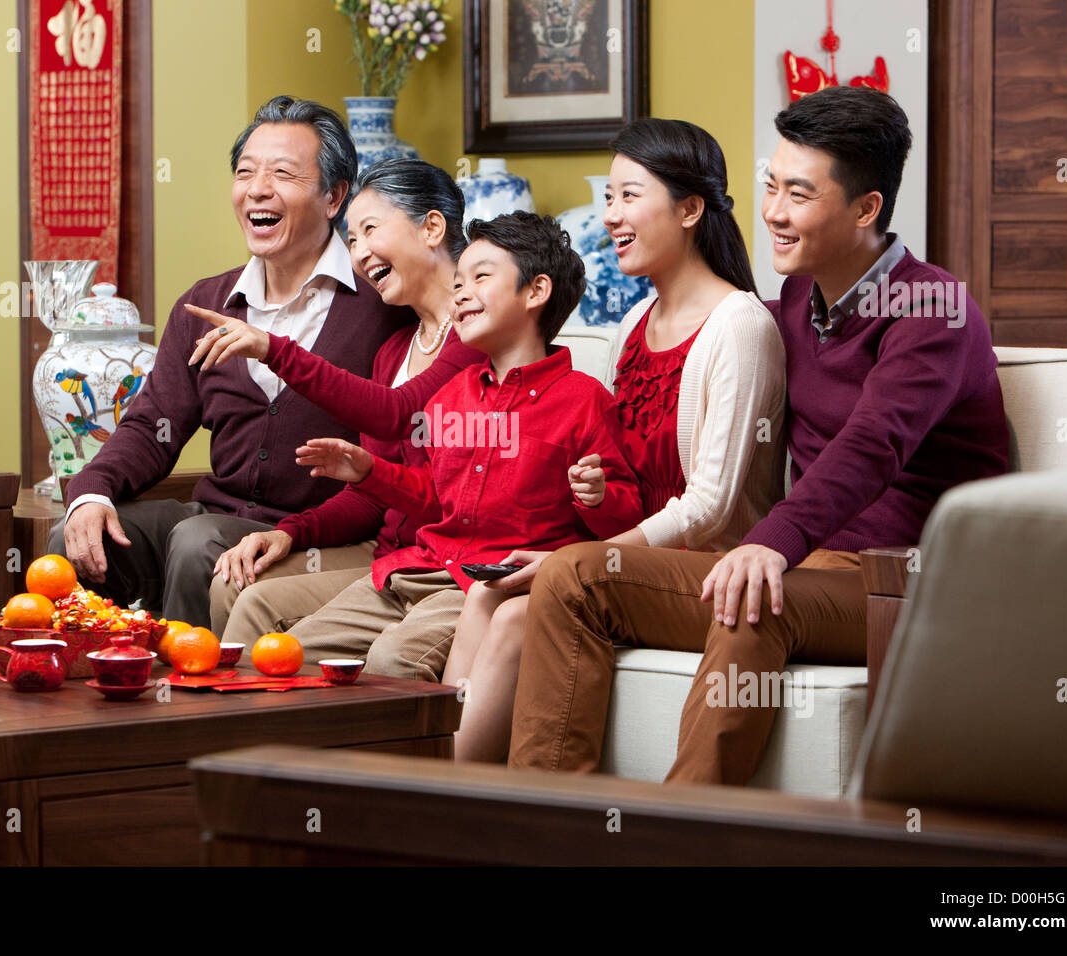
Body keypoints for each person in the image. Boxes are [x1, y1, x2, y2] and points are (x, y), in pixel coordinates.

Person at [508, 86, 1010, 784]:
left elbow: (870, 447)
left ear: (866, 208)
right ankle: (547, 825)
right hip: (819, 568)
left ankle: (682, 838)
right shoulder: (800, 298)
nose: (772, 211)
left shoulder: (933, 309)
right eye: (770, 185)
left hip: (912, 579)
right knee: (572, 577)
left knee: (752, 596)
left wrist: (767, 542)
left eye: (798, 194)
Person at [442, 119, 786, 762]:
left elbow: (710, 506)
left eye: (630, 196)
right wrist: (590, 494)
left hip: (709, 568)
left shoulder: (740, 325)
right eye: (608, 198)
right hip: (628, 556)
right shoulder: (632, 324)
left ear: (689, 209)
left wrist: (579, 560)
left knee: (526, 606)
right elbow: (608, 469)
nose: (611, 217)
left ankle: (465, 796)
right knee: (491, 587)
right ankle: (437, 780)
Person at [50, 95, 411, 628]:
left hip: (316, 533)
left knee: (199, 542)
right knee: (72, 534)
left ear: (334, 196)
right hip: (216, 516)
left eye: (283, 174)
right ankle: (98, 686)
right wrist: (91, 491)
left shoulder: (382, 304)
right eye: (245, 173)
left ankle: (190, 695)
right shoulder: (207, 303)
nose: (257, 189)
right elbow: (153, 426)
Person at [285, 212, 644, 682]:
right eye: (458, 281)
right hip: (419, 568)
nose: (460, 292)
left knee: (394, 662)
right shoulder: (450, 398)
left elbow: (629, 515)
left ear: (536, 292)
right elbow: (436, 497)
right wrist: (369, 470)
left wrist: (596, 496)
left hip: (490, 584)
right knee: (296, 653)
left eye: (480, 277)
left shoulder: (584, 401)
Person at [200, 158, 483, 638]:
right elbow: (371, 498)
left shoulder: (479, 330)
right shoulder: (396, 348)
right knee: (235, 580)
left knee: (257, 605)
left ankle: (246, 710)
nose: (359, 253)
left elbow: (395, 413)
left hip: (444, 559)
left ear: (432, 227)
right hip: (386, 548)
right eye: (351, 240)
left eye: (370, 229)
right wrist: (288, 532)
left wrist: (274, 348)